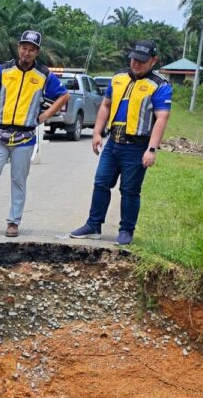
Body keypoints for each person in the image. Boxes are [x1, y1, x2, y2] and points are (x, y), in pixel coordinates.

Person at [0, 30, 69, 237]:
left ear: (37, 52)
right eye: (24, 48)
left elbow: (64, 95)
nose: (27, 52)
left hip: (25, 138)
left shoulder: (43, 75)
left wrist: (46, 115)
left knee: (18, 179)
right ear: (19, 48)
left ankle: (13, 222)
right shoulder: (3, 69)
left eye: (31, 49)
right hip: (0, 134)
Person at [68, 39, 172, 245]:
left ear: (153, 60)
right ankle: (93, 225)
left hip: (137, 145)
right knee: (101, 183)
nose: (136, 64)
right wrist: (97, 132)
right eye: (134, 59)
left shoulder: (159, 85)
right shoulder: (118, 78)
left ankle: (126, 231)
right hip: (113, 142)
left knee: (130, 190)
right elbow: (106, 105)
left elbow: (162, 117)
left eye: (142, 61)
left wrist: (151, 149)